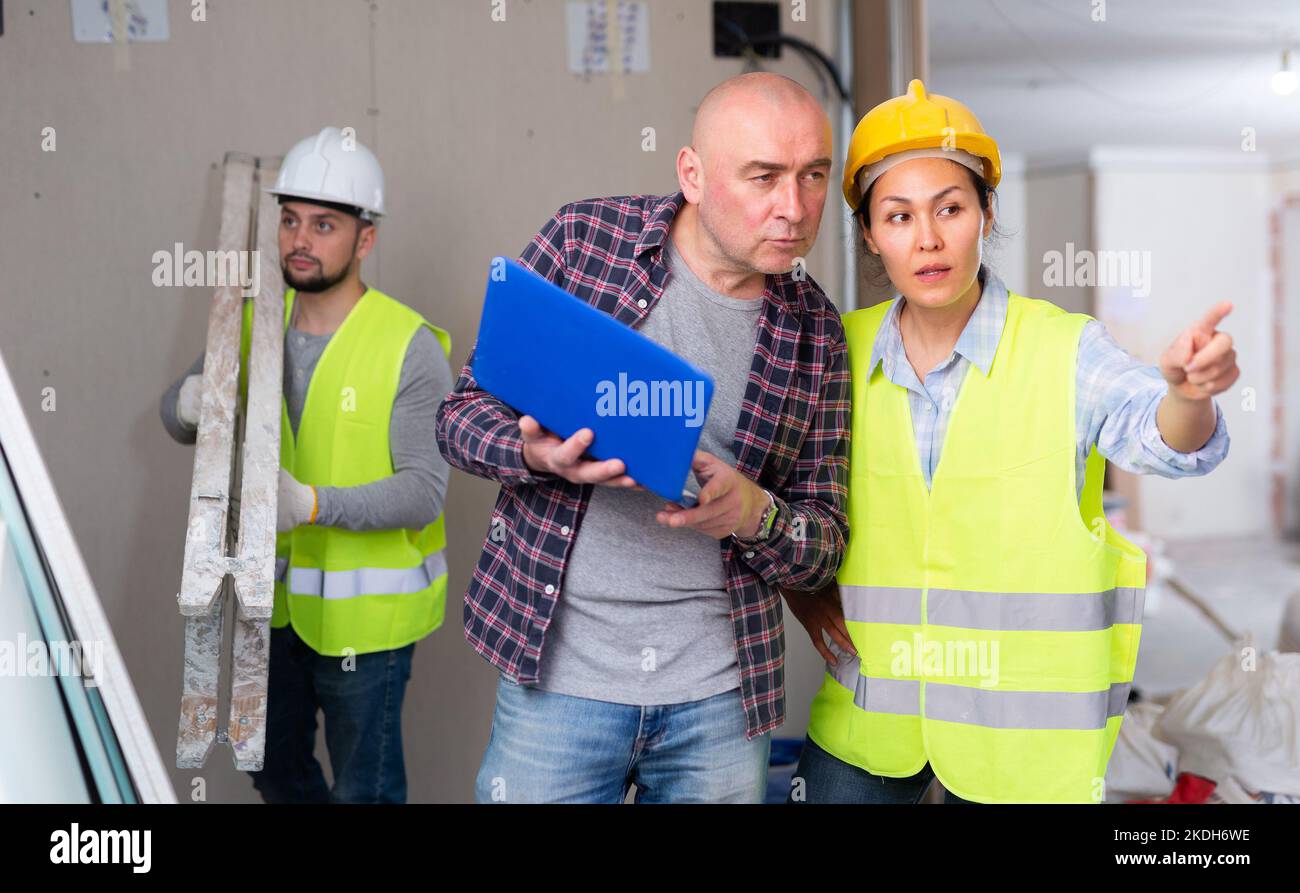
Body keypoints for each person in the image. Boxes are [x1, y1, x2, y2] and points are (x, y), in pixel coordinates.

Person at [784, 80, 1234, 804]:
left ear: (986, 214)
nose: (927, 239)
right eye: (898, 216)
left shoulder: (1066, 349)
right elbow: (775, 496)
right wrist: (805, 598)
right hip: (872, 714)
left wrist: (1188, 395)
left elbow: (1165, 439)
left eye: (950, 209)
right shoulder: (836, 349)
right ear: (870, 234)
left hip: (1021, 736)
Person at [435, 72, 850, 803]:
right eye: (764, 177)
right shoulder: (584, 241)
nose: (794, 208)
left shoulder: (817, 332)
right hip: (559, 681)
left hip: (721, 696)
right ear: (692, 174)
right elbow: (459, 416)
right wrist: (536, 455)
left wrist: (755, 513)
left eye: (814, 175)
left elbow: (826, 542)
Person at [161, 127, 455, 803]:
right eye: (290, 220)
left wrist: (314, 504)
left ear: (365, 238)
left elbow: (423, 493)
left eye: (325, 224)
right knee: (271, 766)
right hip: (271, 606)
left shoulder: (407, 344)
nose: (301, 238)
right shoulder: (251, 325)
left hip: (366, 626)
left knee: (366, 790)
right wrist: (185, 405)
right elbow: (177, 422)